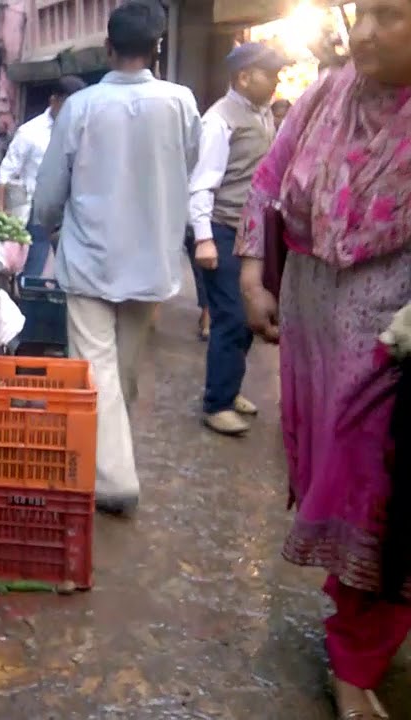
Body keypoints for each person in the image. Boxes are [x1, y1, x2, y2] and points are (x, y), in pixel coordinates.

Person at [236, 0, 411, 713]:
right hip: (315, 322)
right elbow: (269, 182)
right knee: (339, 482)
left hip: (392, 333)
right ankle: (355, 646)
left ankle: (355, 662)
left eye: (392, 16)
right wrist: (252, 275)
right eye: (363, 11)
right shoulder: (327, 93)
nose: (366, 31)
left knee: (381, 494)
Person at [31, 0, 201, 515]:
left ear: (107, 48)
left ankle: (112, 477)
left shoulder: (82, 107)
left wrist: (47, 222)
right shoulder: (180, 102)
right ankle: (108, 458)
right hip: (151, 257)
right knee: (122, 369)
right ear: (157, 49)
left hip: (90, 258)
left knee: (96, 369)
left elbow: (50, 189)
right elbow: (186, 164)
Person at [188, 42, 288, 436]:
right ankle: (216, 403)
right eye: (270, 73)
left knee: (247, 318)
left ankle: (229, 390)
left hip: (253, 232)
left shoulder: (262, 113)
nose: (277, 81)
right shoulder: (220, 120)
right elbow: (202, 184)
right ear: (244, 77)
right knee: (229, 318)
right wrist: (203, 238)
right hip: (224, 228)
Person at [0, 75, 88, 278]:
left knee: (72, 269)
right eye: (68, 104)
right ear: (53, 100)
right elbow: (5, 174)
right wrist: (1, 212)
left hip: (74, 209)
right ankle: (29, 302)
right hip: (39, 210)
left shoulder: (84, 130)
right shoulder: (30, 132)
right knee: (35, 266)